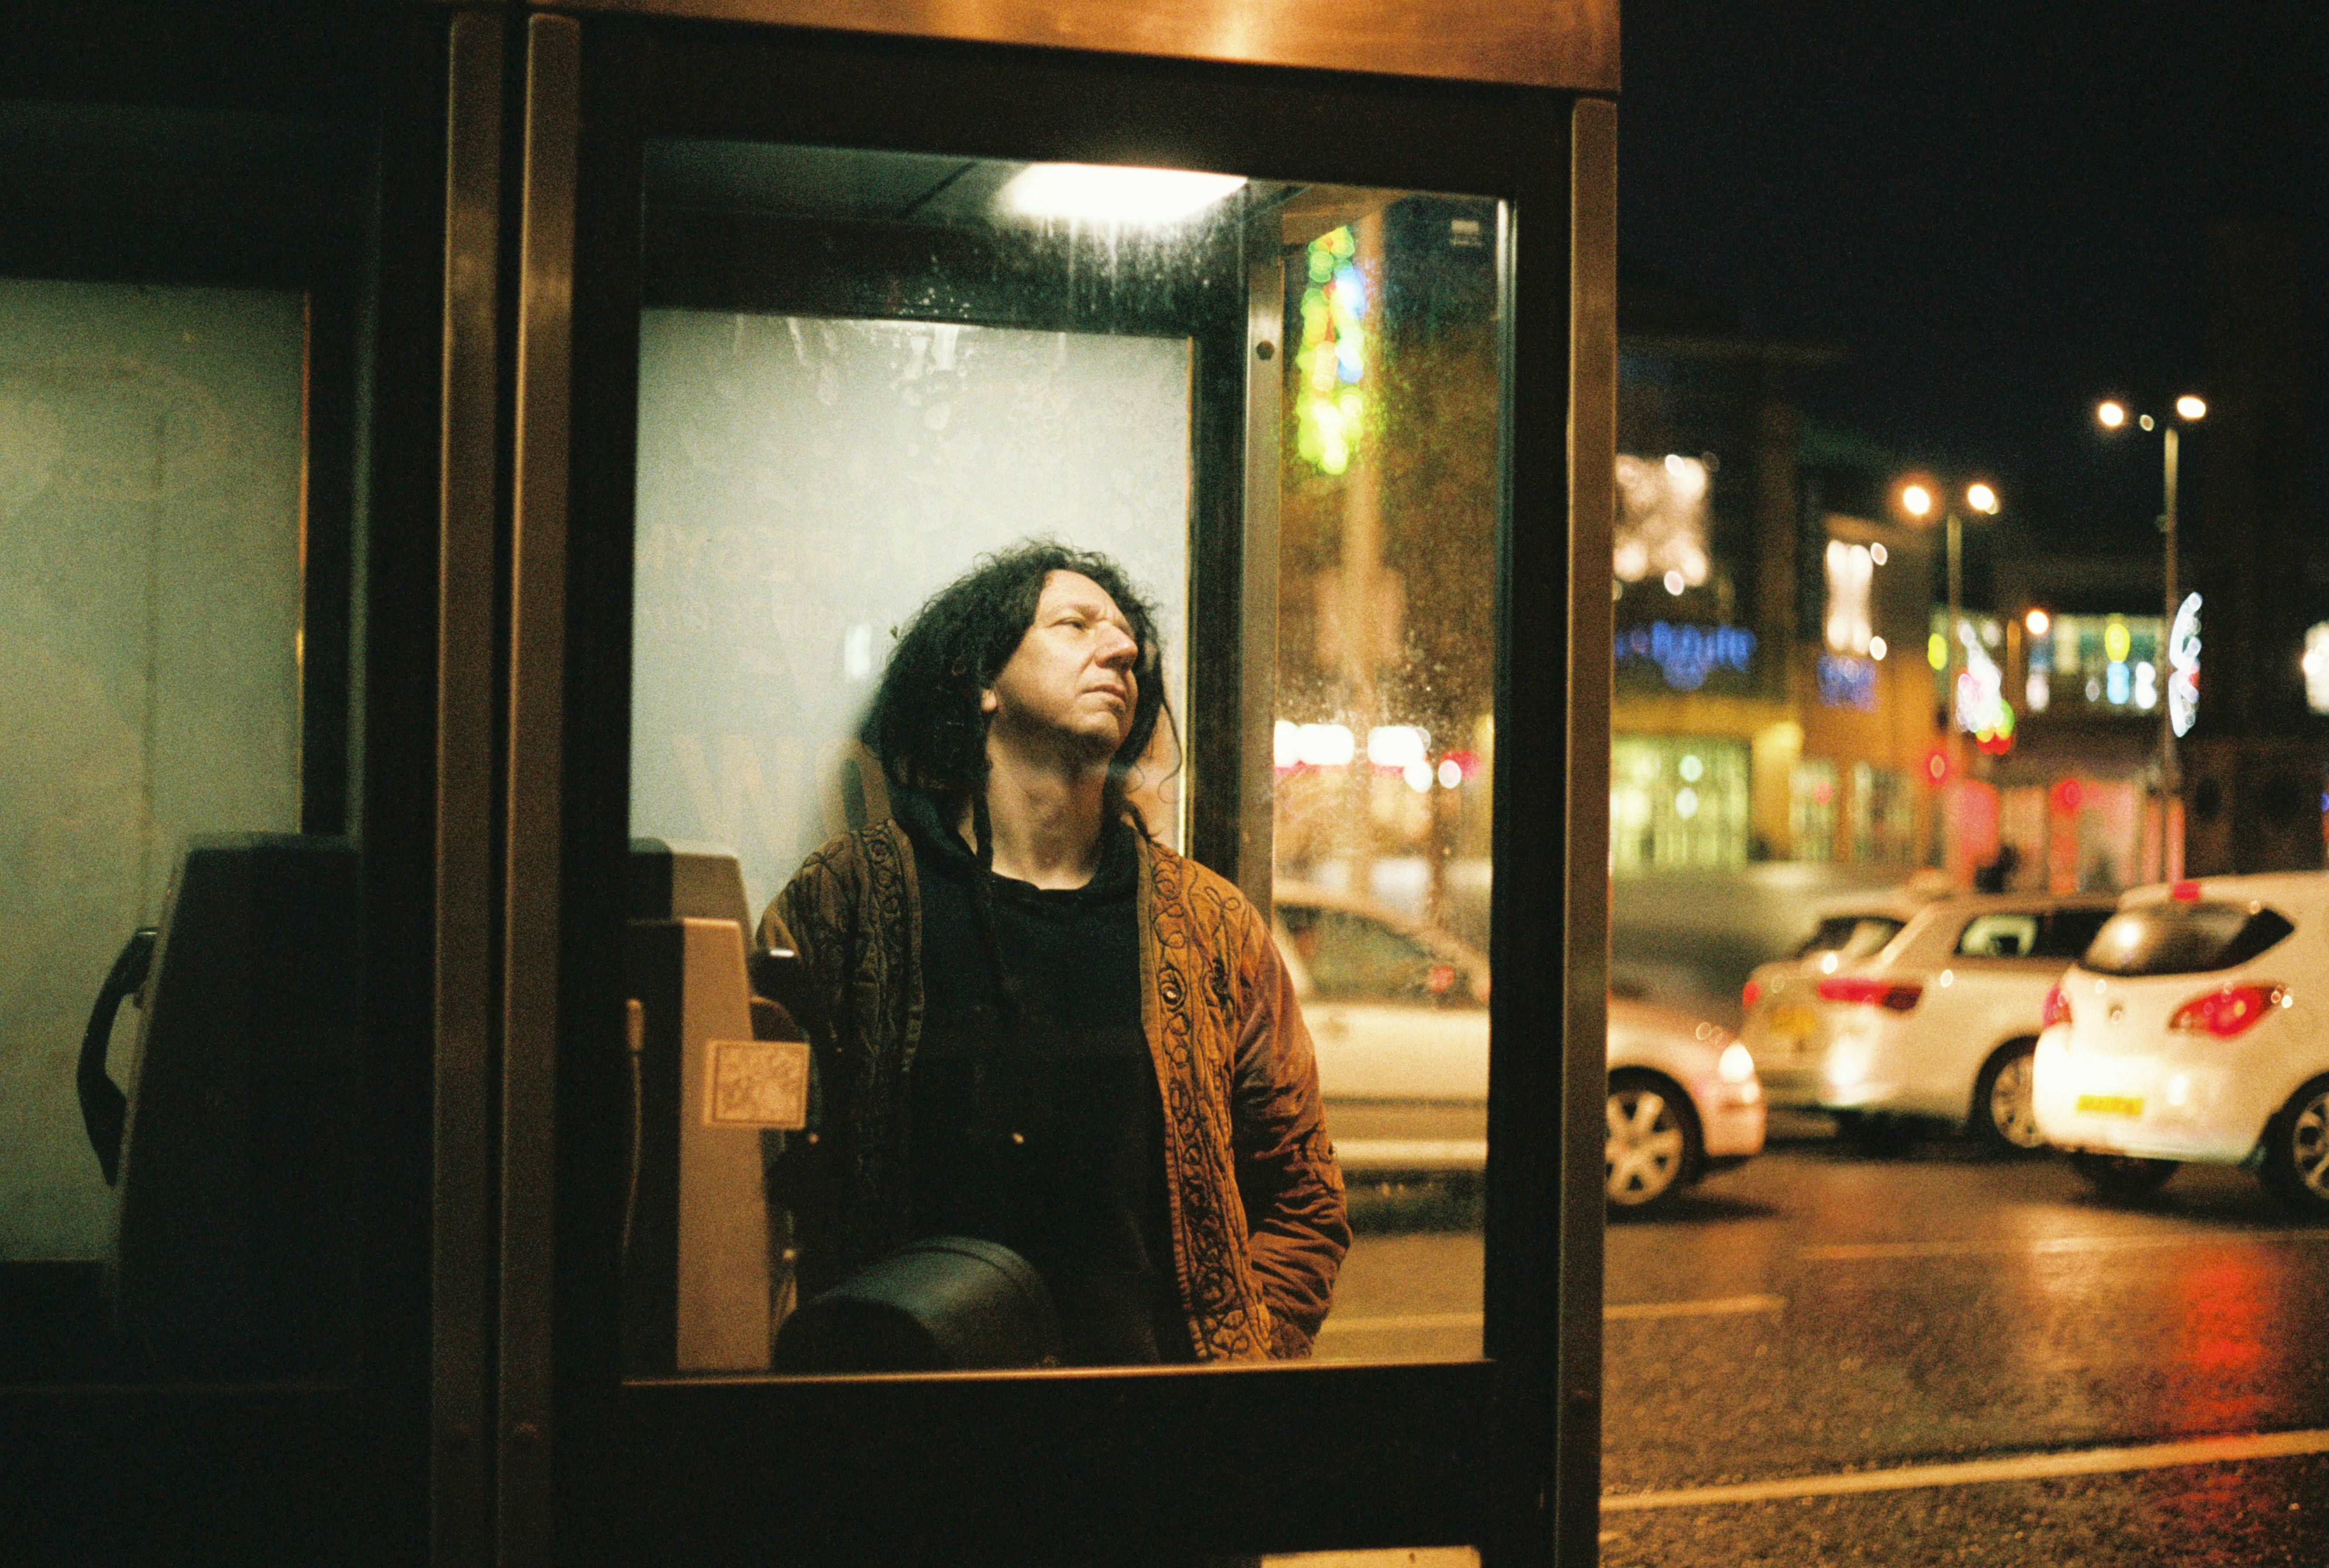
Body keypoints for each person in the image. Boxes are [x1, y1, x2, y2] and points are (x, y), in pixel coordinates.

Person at [757, 541, 1346, 1365]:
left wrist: (1241, 1364)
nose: (1121, 647)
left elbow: (1301, 1194)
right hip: (907, 1427)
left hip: (1144, 1430)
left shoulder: (1209, 924)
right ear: (981, 682)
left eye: (1124, 635)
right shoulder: (846, 900)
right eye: (1073, 623)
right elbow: (755, 1175)